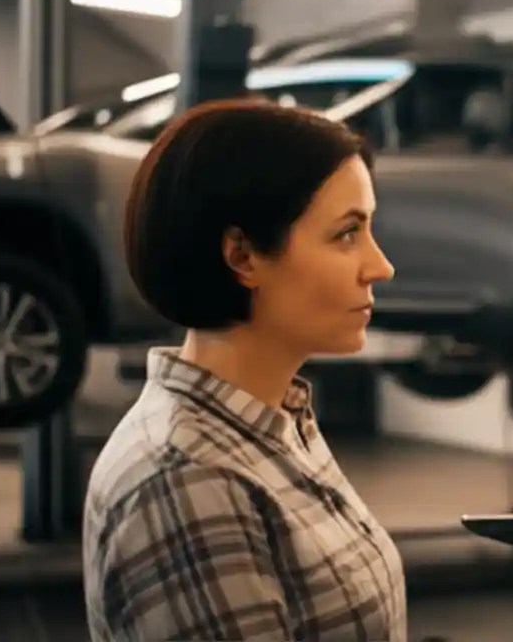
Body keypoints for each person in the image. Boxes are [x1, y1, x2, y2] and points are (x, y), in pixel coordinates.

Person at [82, 99, 404, 641]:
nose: (381, 266)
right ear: (242, 256)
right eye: (347, 233)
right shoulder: (187, 481)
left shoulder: (271, 423)